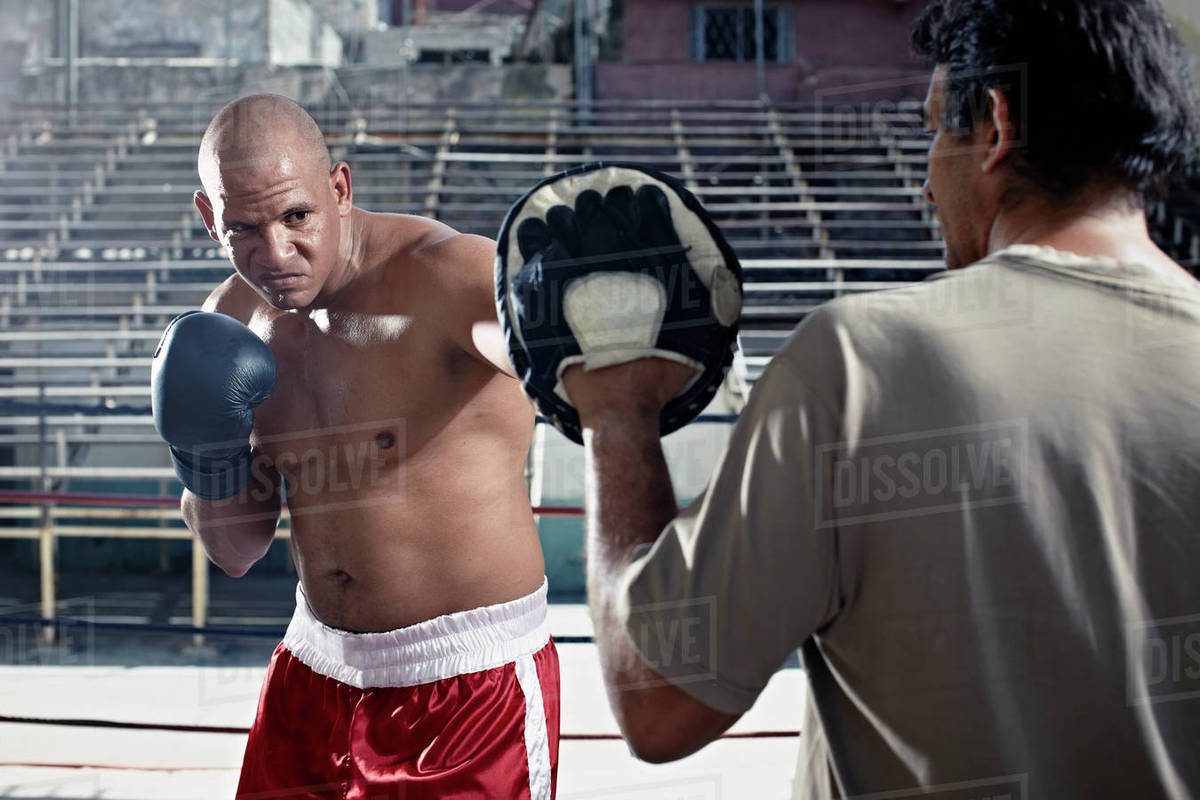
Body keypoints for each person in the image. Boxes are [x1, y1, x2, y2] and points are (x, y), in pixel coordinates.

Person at [551, 1, 1200, 798]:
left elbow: (659, 703)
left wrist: (616, 412)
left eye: (935, 130)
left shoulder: (862, 362)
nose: (927, 179)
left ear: (995, 127)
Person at [151, 94, 558, 799]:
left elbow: (558, 363)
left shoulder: (451, 276)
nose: (276, 255)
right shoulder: (233, 319)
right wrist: (202, 457)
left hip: (466, 692)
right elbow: (238, 550)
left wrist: (589, 332)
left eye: (297, 217)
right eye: (243, 228)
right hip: (313, 670)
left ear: (339, 188)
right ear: (207, 216)